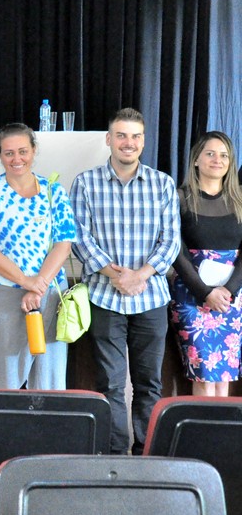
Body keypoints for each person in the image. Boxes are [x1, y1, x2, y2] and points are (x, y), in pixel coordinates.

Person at [71, 107, 180, 454]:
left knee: (150, 383)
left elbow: (171, 240)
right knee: (111, 384)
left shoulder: (162, 183)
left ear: (143, 141)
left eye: (135, 136)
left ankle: (146, 452)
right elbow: (78, 236)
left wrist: (140, 275)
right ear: (109, 139)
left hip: (151, 297)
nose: (128, 143)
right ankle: (116, 453)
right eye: (121, 135)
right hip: (104, 296)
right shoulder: (85, 183)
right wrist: (115, 274)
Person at [0, 123, 76, 391]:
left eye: (23, 151)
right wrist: (26, 281)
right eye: (9, 153)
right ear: (0, 155)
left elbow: (64, 244)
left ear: (34, 151)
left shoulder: (54, 191)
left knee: (48, 383)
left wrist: (38, 285)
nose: (17, 159)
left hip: (48, 296)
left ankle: (43, 433)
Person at [170, 132, 242, 396]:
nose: (217, 160)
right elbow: (175, 250)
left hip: (232, 298)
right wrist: (204, 292)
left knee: (225, 376)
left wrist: (229, 290)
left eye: (224, 155)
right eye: (210, 153)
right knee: (203, 374)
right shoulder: (179, 198)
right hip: (191, 296)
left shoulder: (240, 199)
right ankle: (203, 436)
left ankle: (221, 435)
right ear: (196, 160)